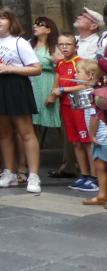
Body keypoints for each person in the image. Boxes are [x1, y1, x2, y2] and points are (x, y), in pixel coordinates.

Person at [0, 6, 42, 194]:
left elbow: (36, 68)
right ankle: (9, 172)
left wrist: (11, 69)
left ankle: (33, 175)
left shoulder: (19, 42)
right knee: (3, 133)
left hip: (16, 86)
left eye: (2, 18)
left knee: (26, 132)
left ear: (10, 21)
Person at [52, 33, 98, 192]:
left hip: (80, 106)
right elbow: (57, 79)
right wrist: (53, 93)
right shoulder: (60, 64)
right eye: (61, 44)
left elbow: (86, 84)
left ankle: (95, 176)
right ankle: (84, 174)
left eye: (68, 44)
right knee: (75, 142)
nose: (64, 47)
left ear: (76, 47)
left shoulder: (80, 63)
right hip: (65, 106)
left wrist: (64, 89)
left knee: (86, 141)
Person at [81, 60, 107, 205]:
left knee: (101, 166)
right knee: (100, 166)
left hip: (101, 137)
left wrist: (92, 135)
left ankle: (103, 194)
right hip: (102, 137)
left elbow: (95, 117)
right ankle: (102, 195)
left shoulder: (99, 94)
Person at [30, 17, 61, 134]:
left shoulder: (54, 48)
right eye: (34, 24)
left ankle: (69, 151)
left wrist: (53, 94)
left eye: (40, 24)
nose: (35, 26)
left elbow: (58, 70)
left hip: (47, 83)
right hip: (31, 84)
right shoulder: (28, 44)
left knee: (54, 118)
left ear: (48, 30)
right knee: (31, 122)